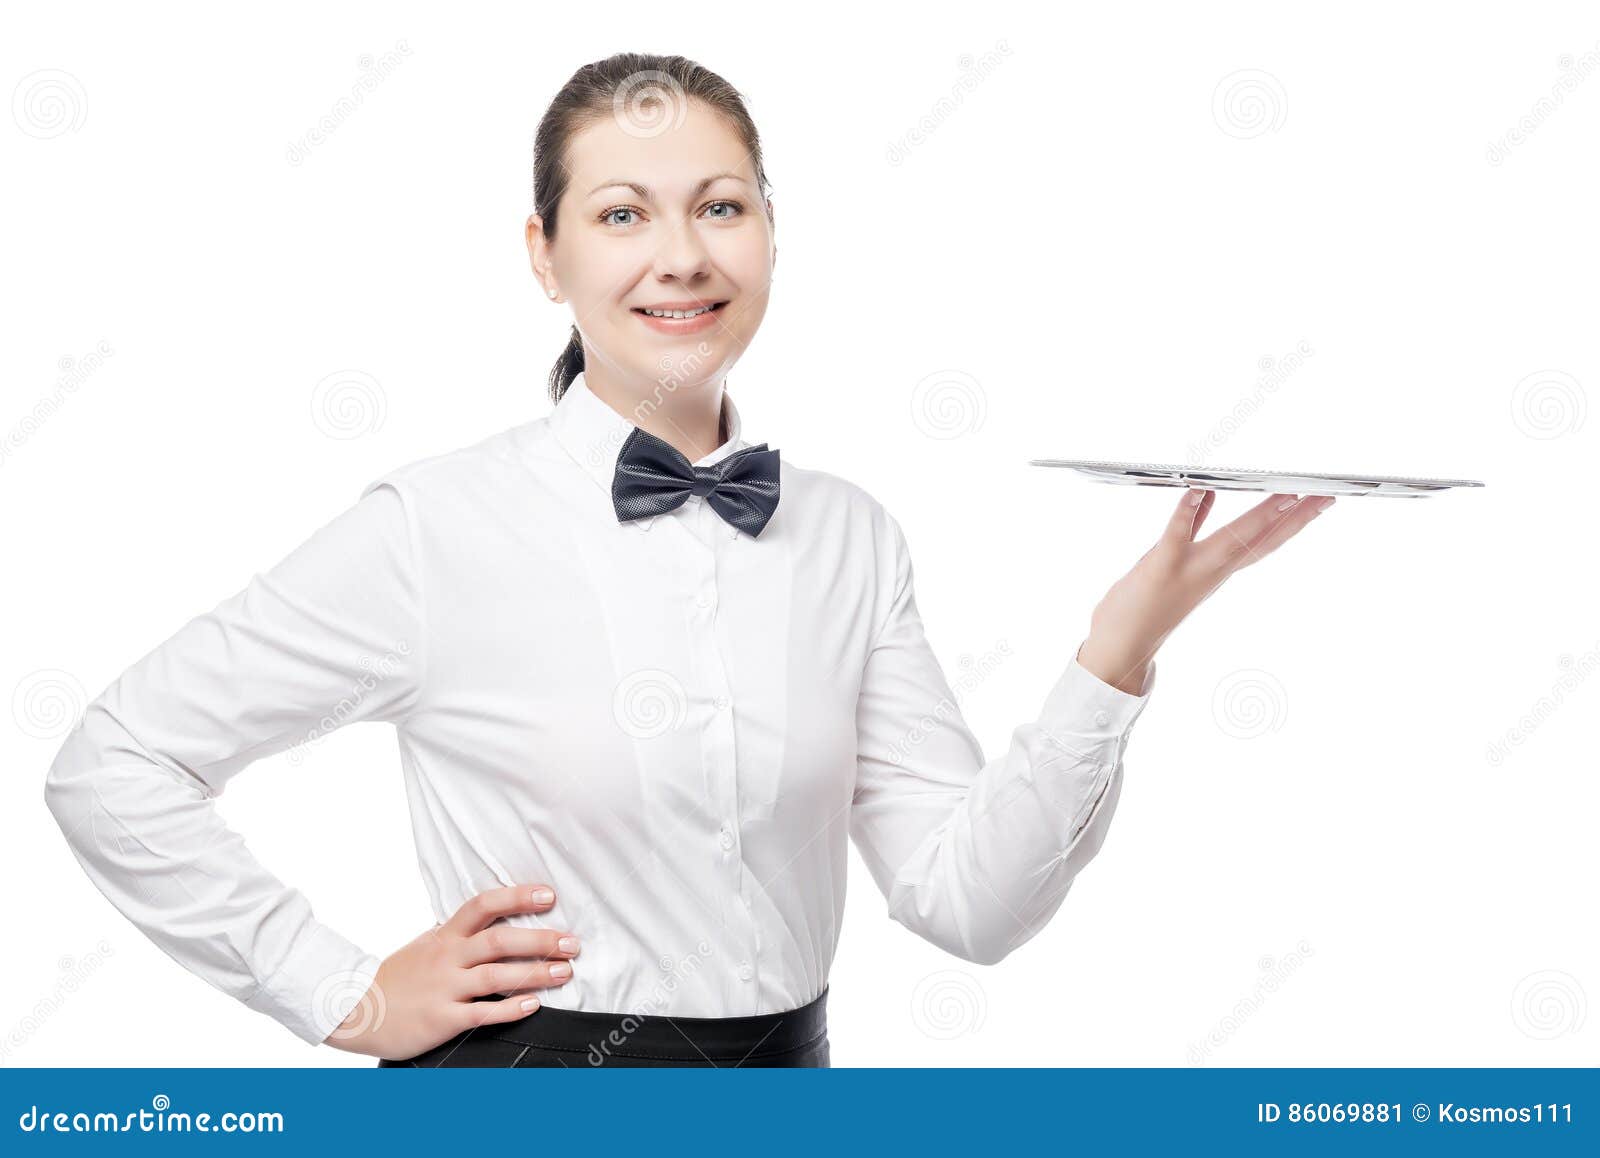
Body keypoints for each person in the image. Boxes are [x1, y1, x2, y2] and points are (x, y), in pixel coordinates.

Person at [43, 52, 1334, 1068]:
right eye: (622, 213)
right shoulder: (434, 528)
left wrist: (1121, 646)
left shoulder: (848, 533)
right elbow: (115, 762)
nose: (683, 255)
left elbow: (968, 907)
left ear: (772, 232)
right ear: (545, 254)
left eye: (722, 206)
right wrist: (343, 990)